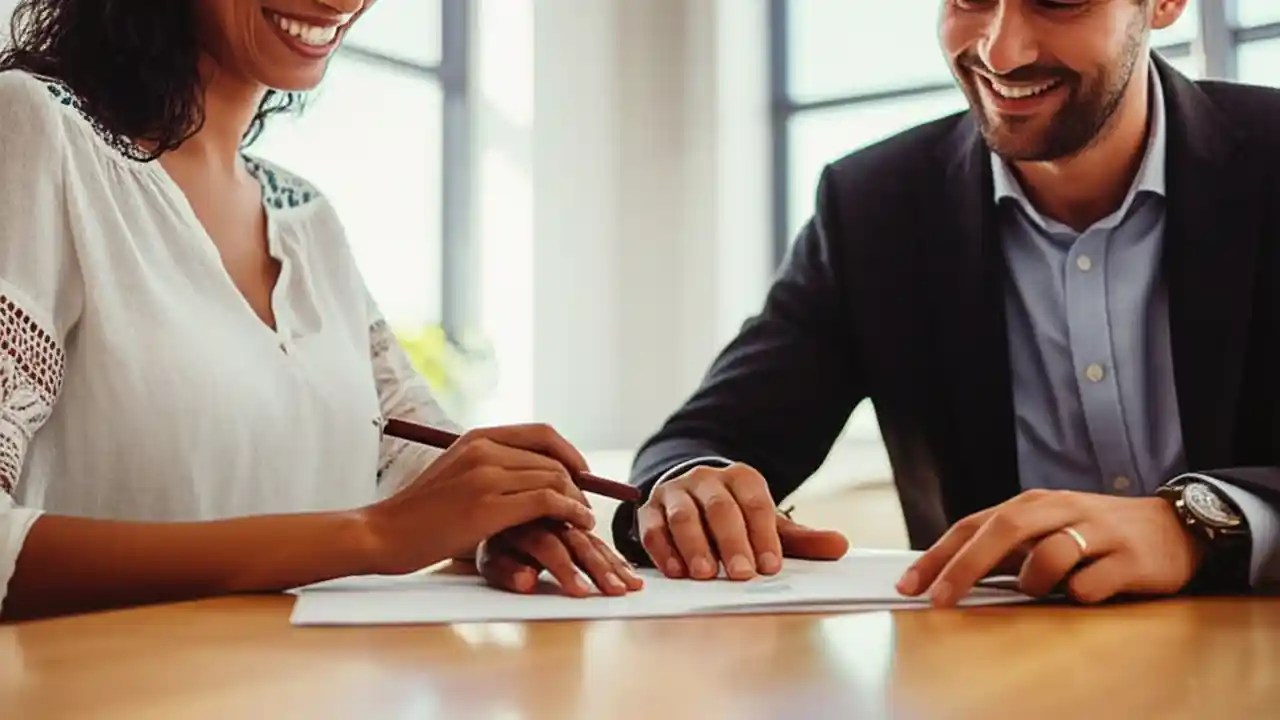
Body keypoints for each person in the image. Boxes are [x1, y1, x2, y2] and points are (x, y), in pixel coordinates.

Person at [615, 0, 1280, 605]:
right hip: (990, 674)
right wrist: (694, 489)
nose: (1001, 52)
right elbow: (705, 439)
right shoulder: (873, 206)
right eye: (970, 0)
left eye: (1059, 3)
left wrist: (1198, 521)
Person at [0, 0, 641, 621]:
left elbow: (415, 461)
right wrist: (370, 537)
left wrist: (497, 521)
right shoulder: (35, 128)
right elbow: (392, 523)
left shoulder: (307, 219)